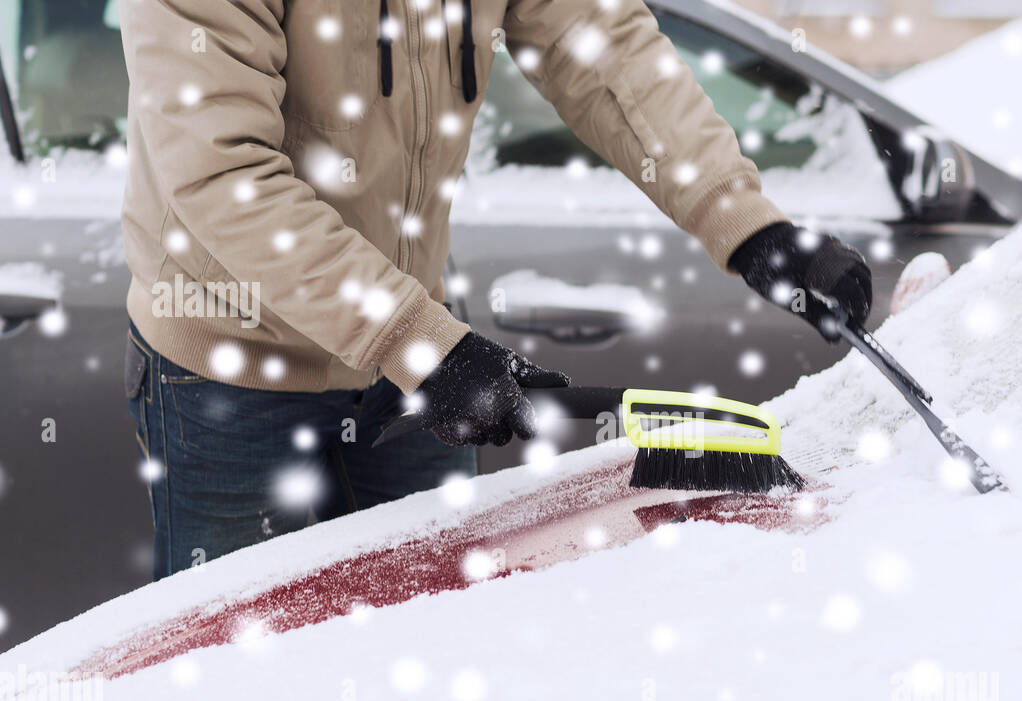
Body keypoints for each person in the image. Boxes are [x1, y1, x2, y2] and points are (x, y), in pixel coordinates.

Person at [119, 0, 874, 578]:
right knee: (236, 680)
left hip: (407, 358)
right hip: (231, 368)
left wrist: (744, 224)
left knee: (434, 648)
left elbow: (604, 48)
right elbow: (222, 176)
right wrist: (417, 343)